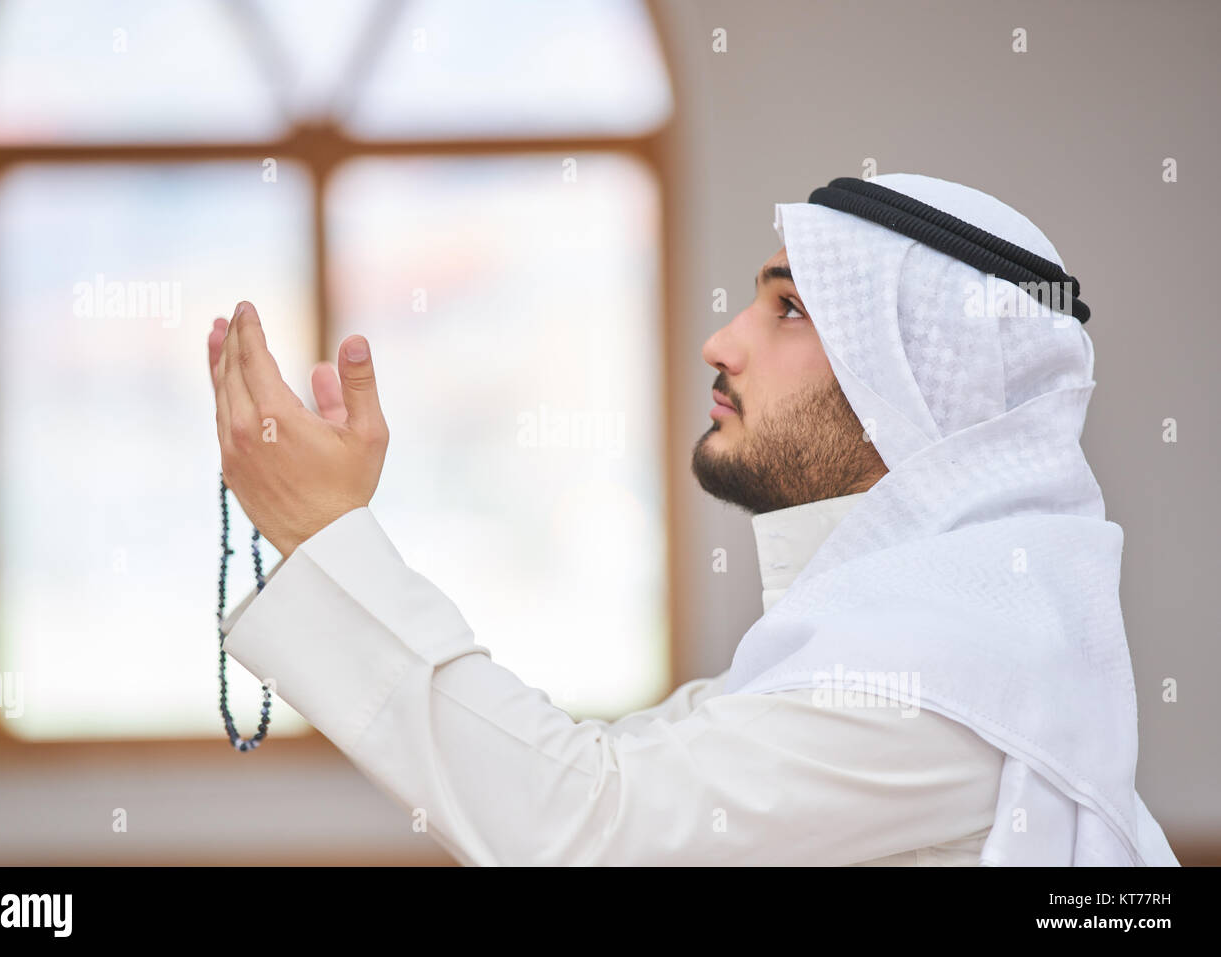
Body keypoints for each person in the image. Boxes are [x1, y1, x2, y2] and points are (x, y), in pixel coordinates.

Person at [207, 172, 1177, 866]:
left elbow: (588, 831)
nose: (721, 341)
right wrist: (321, 536)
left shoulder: (948, 683)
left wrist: (327, 533)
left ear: (914, 385)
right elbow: (620, 772)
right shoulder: (909, 641)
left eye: (789, 309)